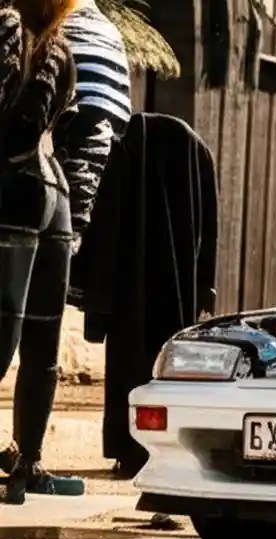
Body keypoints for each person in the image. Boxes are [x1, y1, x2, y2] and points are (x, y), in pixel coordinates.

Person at [0, 0, 131, 499]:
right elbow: (75, 132)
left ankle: (27, 464)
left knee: (19, 336)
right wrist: (77, 216)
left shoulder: (39, 35)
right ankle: (27, 465)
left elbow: (29, 125)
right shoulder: (55, 39)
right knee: (34, 341)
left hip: (27, 192)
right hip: (46, 193)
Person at [0, 0, 78, 505]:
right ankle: (26, 463)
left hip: (42, 195)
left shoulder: (54, 38)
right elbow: (19, 124)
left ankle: (28, 461)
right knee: (13, 337)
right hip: (26, 191)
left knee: (39, 342)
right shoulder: (12, 26)